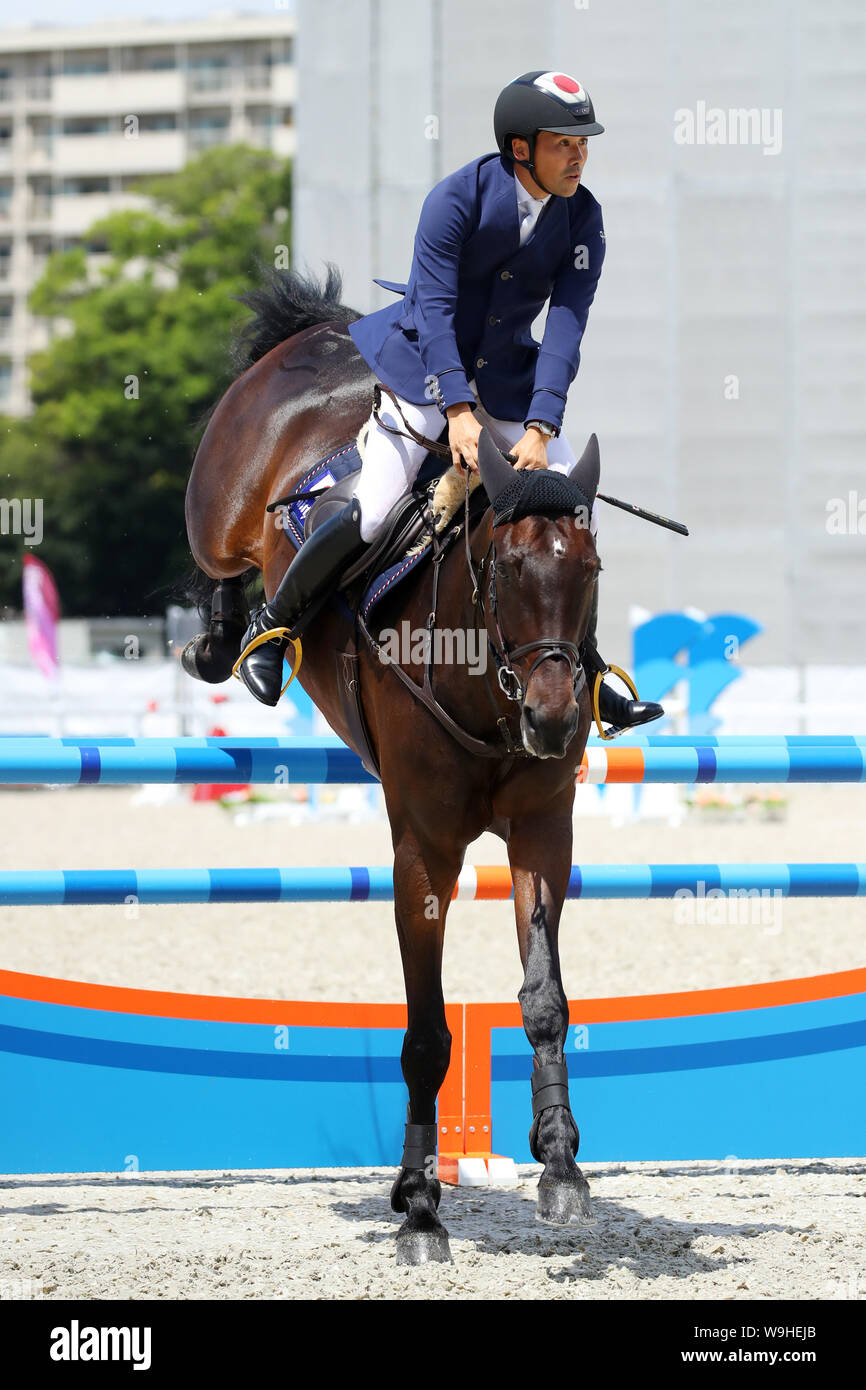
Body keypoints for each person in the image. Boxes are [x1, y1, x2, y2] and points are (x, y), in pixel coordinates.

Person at [236, 68, 663, 737]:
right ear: (521, 149)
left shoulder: (585, 217)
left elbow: (568, 325)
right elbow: (433, 312)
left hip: (512, 384)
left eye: (584, 143)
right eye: (564, 143)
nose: (579, 155)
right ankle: (273, 627)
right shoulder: (456, 200)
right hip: (424, 370)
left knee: (577, 516)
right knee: (376, 505)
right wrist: (457, 409)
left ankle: (589, 665)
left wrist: (544, 422)